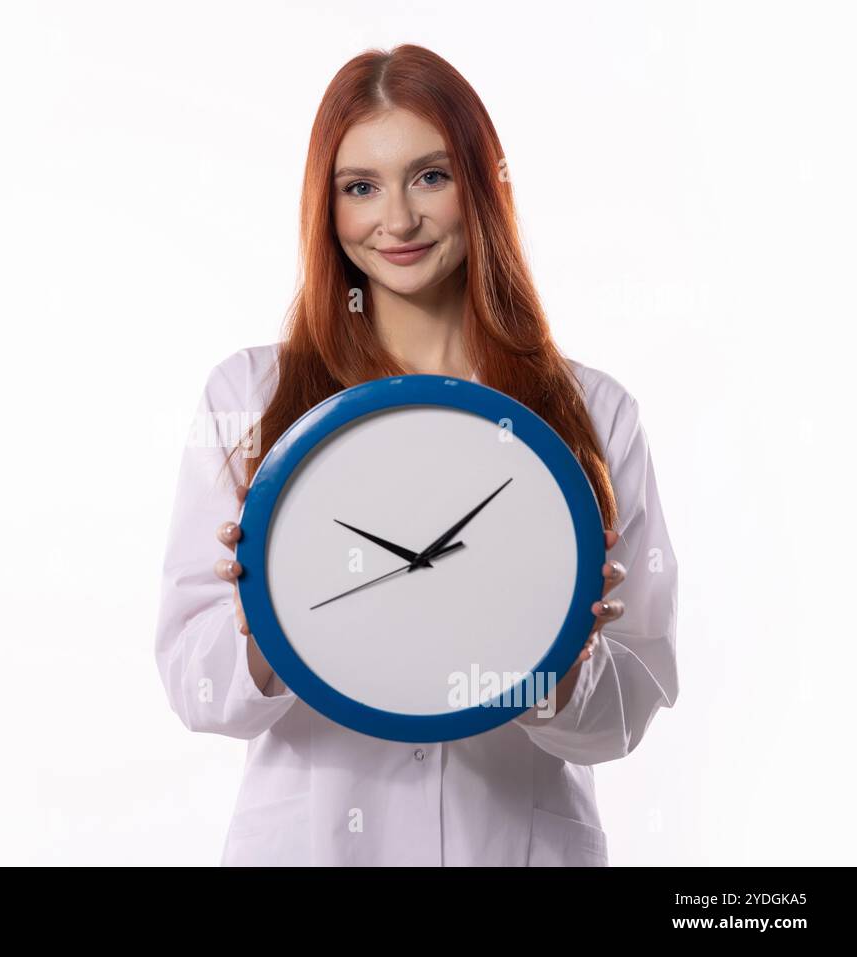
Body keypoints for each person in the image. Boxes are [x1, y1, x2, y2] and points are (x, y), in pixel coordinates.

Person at [153, 44, 678, 866]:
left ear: (482, 183)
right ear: (326, 209)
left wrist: (564, 667)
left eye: (430, 177)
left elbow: (635, 703)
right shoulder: (248, 397)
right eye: (360, 186)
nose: (396, 221)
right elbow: (195, 686)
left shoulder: (595, 412)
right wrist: (265, 624)